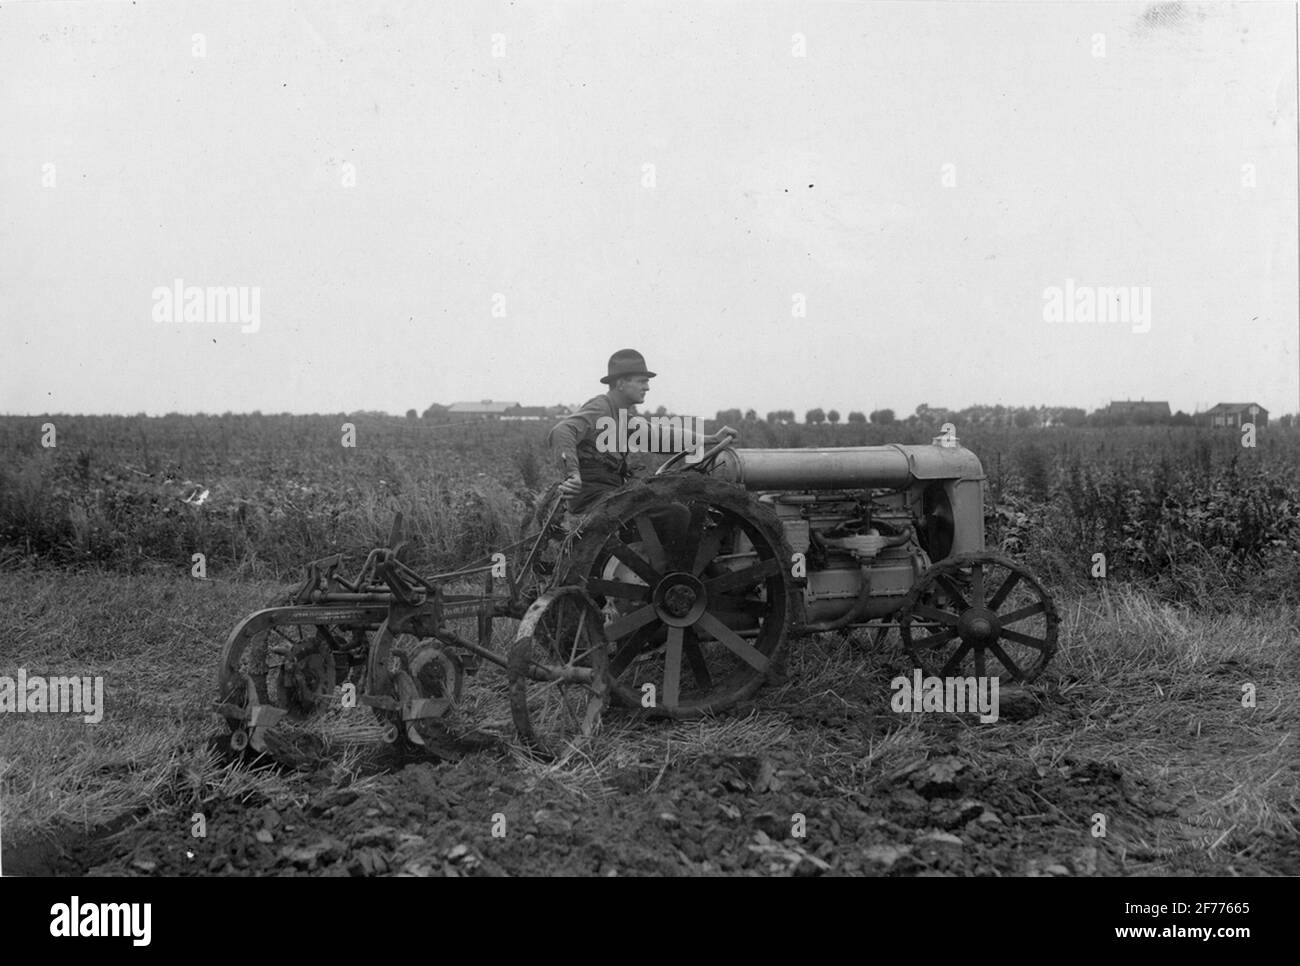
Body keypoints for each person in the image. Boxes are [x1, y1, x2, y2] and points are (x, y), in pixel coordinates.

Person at [547, 349, 735, 515]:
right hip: (595, 497)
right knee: (677, 514)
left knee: (676, 506)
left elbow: (659, 436)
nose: (647, 387)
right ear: (621, 383)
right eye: (642, 381)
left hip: (608, 493)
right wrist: (573, 474)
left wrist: (711, 439)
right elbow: (562, 431)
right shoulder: (601, 408)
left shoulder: (623, 418)